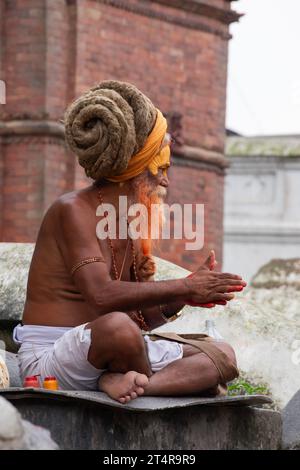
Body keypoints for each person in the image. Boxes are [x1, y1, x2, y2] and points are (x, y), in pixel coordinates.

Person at [14, 80, 246, 403]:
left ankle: (131, 384)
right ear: (134, 167)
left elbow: (146, 317)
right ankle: (151, 381)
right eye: (160, 168)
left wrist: (189, 292)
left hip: (118, 352)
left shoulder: (131, 221)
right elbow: (101, 295)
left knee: (222, 355)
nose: (165, 180)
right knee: (118, 328)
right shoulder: (72, 210)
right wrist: (183, 286)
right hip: (51, 358)